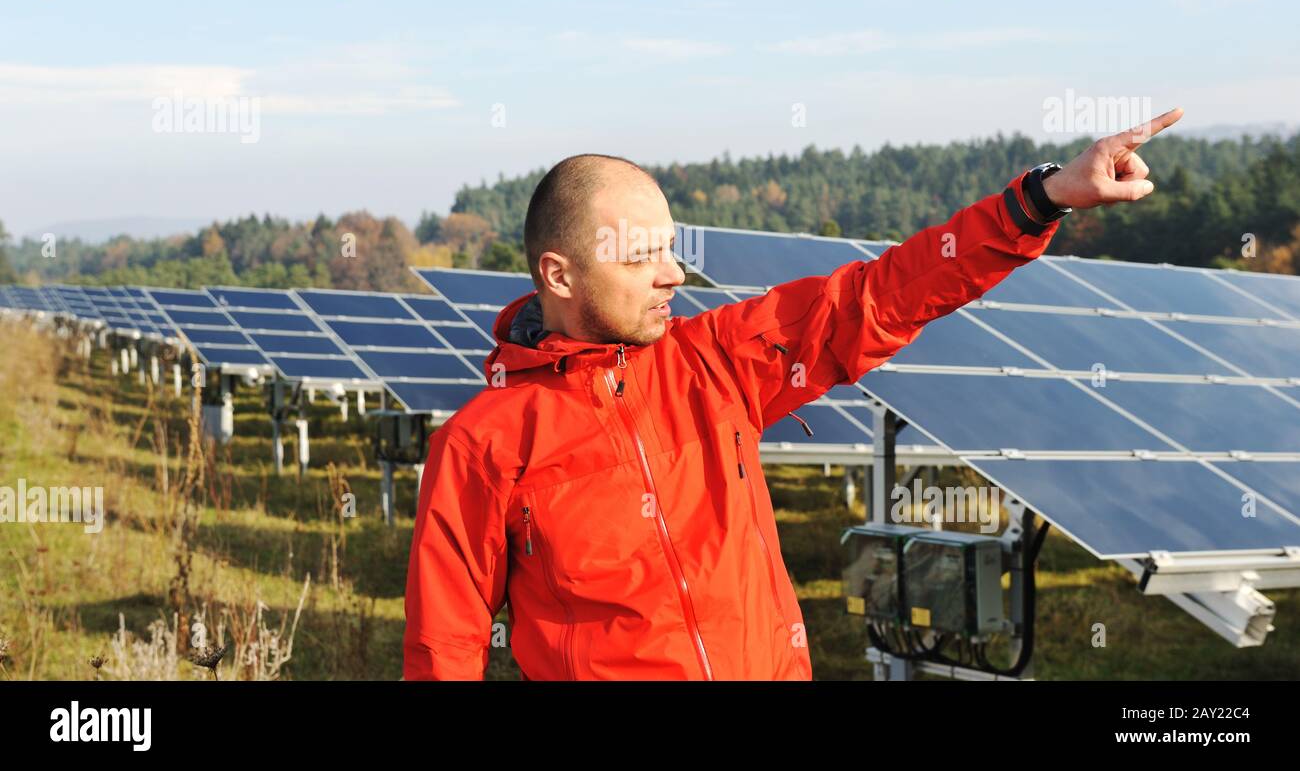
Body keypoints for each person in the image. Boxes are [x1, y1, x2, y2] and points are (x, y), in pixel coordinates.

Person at [403, 108, 1184, 680]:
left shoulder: (716, 362)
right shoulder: (483, 444)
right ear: (560, 275)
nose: (674, 274)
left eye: (670, 249)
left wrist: (1040, 199)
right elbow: (446, 646)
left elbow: (881, 295)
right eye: (642, 257)